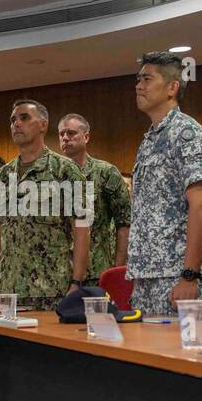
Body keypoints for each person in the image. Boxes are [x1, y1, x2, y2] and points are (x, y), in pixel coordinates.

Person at [126, 52, 202, 315]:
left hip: (177, 275)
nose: (138, 86)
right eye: (138, 80)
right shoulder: (149, 140)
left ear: (172, 88)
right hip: (147, 275)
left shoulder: (188, 134)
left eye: (147, 79)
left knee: (183, 342)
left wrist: (190, 274)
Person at [0, 100, 90, 311]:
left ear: (43, 125)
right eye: (13, 120)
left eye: (24, 118)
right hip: (9, 289)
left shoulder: (65, 170)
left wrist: (77, 282)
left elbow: (82, 228)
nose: (16, 124)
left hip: (51, 288)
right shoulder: (2, 175)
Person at [57, 114, 131, 283]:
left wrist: (116, 270)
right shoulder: (52, 175)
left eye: (71, 133)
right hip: (58, 273)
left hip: (95, 271)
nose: (65, 138)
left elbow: (124, 224)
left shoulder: (105, 172)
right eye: (61, 134)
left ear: (86, 137)